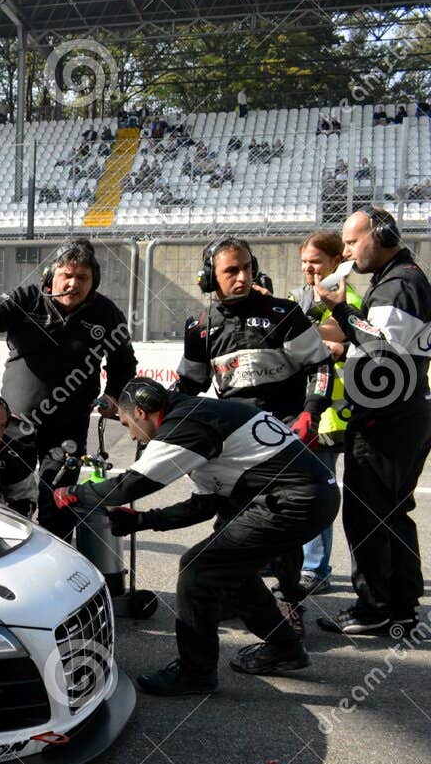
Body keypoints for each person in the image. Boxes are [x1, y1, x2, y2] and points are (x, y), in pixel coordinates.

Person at [56, 378, 338, 695]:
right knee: (232, 574)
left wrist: (76, 494)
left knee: (198, 570)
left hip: (293, 501)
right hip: (309, 497)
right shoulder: (200, 416)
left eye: (127, 424)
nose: (132, 434)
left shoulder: (184, 426)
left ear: (140, 412)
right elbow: (204, 505)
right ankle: (284, 648)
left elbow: (132, 485)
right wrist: (143, 520)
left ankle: (196, 674)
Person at [178, 237, 332, 634]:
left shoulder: (284, 313)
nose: (242, 277)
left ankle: (288, 600)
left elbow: (321, 366)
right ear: (209, 277)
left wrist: (309, 414)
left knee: (279, 525)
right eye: (231, 270)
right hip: (234, 443)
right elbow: (189, 387)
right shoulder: (199, 327)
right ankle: (236, 596)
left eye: (247, 267)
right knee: (232, 523)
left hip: (283, 437)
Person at [0, 237, 136, 537]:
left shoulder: (107, 313)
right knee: (6, 499)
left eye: (82, 277)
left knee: (57, 501)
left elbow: (124, 363)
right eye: (66, 275)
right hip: (16, 421)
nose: (73, 283)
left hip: (68, 427)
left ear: (93, 281)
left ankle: (54, 559)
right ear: (50, 275)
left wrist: (112, 395)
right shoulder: (27, 298)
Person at [315, 207, 431, 635]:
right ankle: (399, 607)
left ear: (379, 235)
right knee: (392, 511)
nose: (346, 250)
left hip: (389, 419)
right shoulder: (399, 279)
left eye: (351, 241)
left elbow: (382, 352)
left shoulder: (401, 284)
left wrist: (341, 310)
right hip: (401, 412)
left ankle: (375, 608)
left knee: (369, 513)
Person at [289, 230, 364, 595]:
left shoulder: (345, 299)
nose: (309, 268)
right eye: (305, 261)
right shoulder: (299, 296)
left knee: (315, 492)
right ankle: (296, 565)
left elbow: (310, 339)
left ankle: (315, 570)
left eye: (316, 262)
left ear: (336, 262)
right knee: (295, 490)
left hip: (330, 418)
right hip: (298, 412)